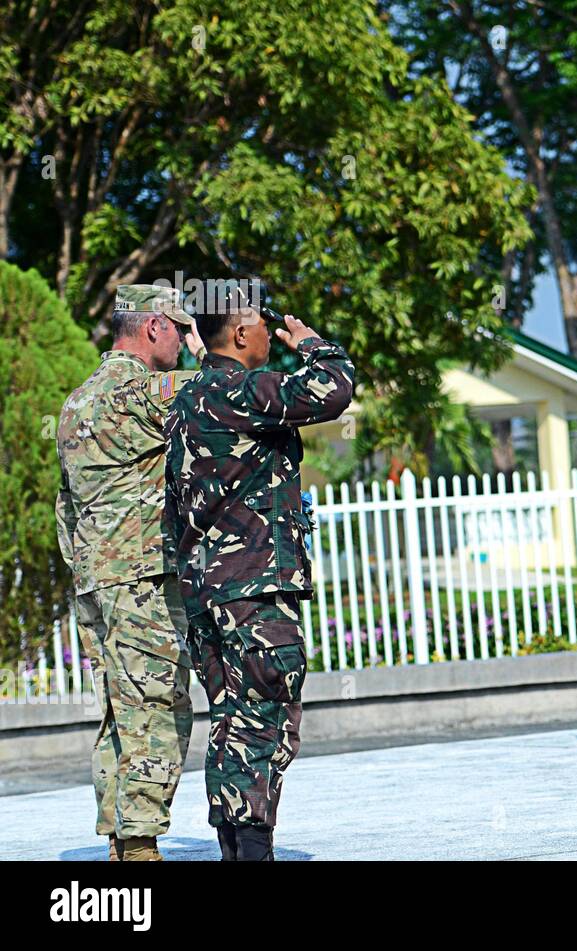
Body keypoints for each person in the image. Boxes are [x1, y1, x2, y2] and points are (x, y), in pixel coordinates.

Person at [164, 292, 354, 860]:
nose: (272, 337)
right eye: (264, 327)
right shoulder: (237, 392)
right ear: (241, 335)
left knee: (231, 716)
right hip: (252, 589)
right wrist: (315, 344)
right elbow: (334, 389)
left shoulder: (187, 399)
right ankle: (252, 850)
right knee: (264, 715)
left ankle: (235, 845)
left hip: (205, 593)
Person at [56, 284, 205, 861]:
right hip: (141, 577)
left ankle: (122, 838)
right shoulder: (142, 391)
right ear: (153, 328)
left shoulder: (77, 401)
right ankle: (140, 848)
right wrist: (204, 352)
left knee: (121, 707)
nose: (183, 337)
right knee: (158, 705)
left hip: (98, 578)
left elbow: (65, 507)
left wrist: (85, 571)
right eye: (178, 327)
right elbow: (224, 393)